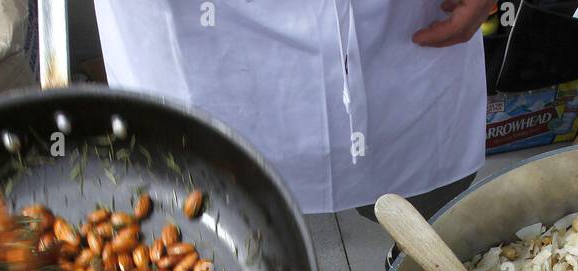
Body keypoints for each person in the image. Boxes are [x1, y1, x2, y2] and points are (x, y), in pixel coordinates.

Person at [94, 0, 494, 217]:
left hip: (397, 21)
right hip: (200, 32)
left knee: (424, 191)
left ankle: (416, 270)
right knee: (218, 218)